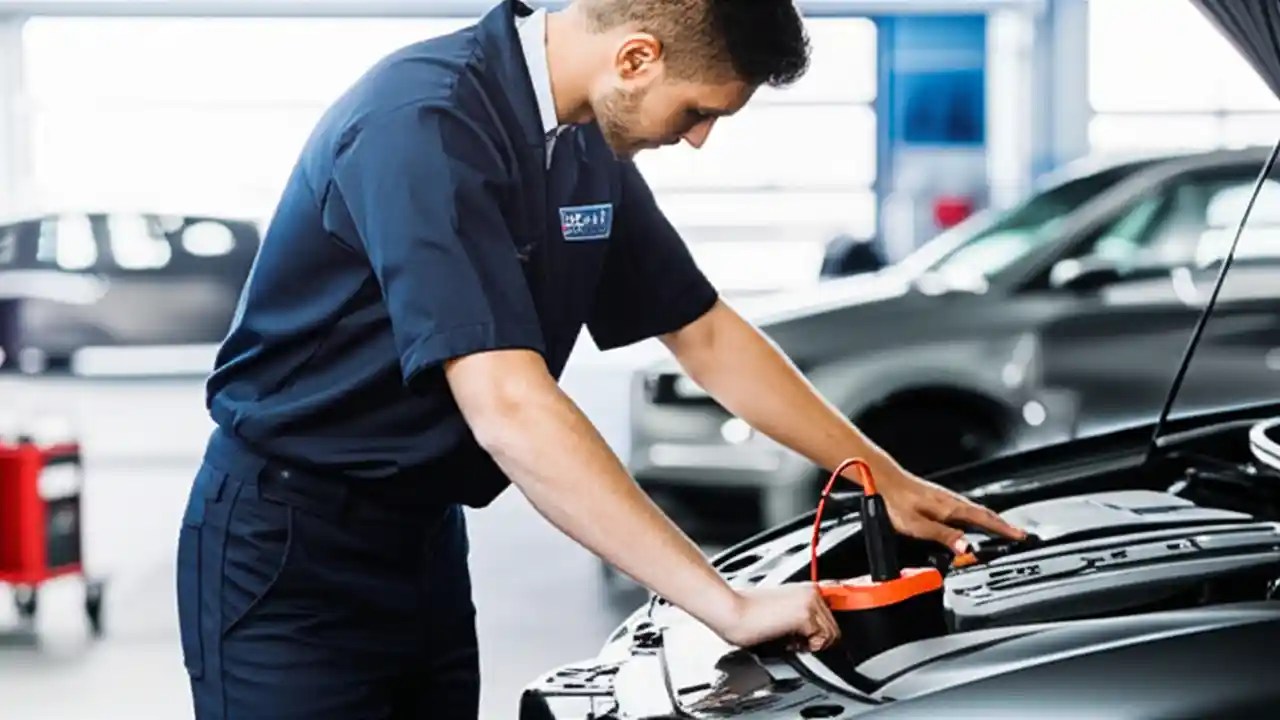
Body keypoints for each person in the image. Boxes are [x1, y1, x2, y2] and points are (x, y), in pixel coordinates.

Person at [175, 0, 1026, 717]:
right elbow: (510, 407)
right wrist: (722, 604)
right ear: (637, 58)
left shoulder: (581, 143)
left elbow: (706, 333)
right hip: (288, 548)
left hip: (420, 542)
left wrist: (885, 477)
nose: (697, 140)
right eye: (700, 111)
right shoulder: (422, 125)